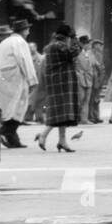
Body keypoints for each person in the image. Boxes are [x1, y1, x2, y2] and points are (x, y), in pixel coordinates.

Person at [33, 24, 81, 153]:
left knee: (62, 113)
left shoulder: (52, 45)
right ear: (66, 36)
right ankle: (43, 135)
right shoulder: (59, 45)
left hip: (58, 83)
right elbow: (74, 52)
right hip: (61, 83)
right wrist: (76, 40)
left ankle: (62, 141)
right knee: (60, 113)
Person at [0, 19, 37, 148]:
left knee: (8, 109)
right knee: (18, 109)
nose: (28, 31)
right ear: (23, 31)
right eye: (27, 29)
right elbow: (25, 61)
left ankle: (13, 139)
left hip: (2, 78)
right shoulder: (20, 42)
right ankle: (2, 132)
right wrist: (32, 80)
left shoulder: (4, 42)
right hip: (15, 78)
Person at [74, 35, 95, 124]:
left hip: (89, 79)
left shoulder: (90, 54)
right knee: (80, 99)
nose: (89, 45)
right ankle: (75, 118)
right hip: (80, 78)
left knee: (87, 99)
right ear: (82, 44)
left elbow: (93, 64)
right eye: (87, 43)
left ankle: (84, 119)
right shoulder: (77, 53)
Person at [25, 41, 44, 124]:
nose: (30, 49)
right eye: (28, 47)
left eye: (31, 47)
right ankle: (28, 117)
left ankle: (39, 117)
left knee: (38, 100)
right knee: (28, 100)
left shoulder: (41, 58)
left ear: (35, 48)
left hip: (39, 82)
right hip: (28, 81)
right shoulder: (26, 58)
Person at [88, 40, 106, 124]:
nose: (101, 47)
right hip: (94, 79)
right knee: (92, 99)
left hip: (99, 79)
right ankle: (91, 116)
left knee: (96, 100)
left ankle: (96, 116)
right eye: (99, 45)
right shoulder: (91, 53)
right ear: (95, 45)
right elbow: (95, 65)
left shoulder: (99, 54)